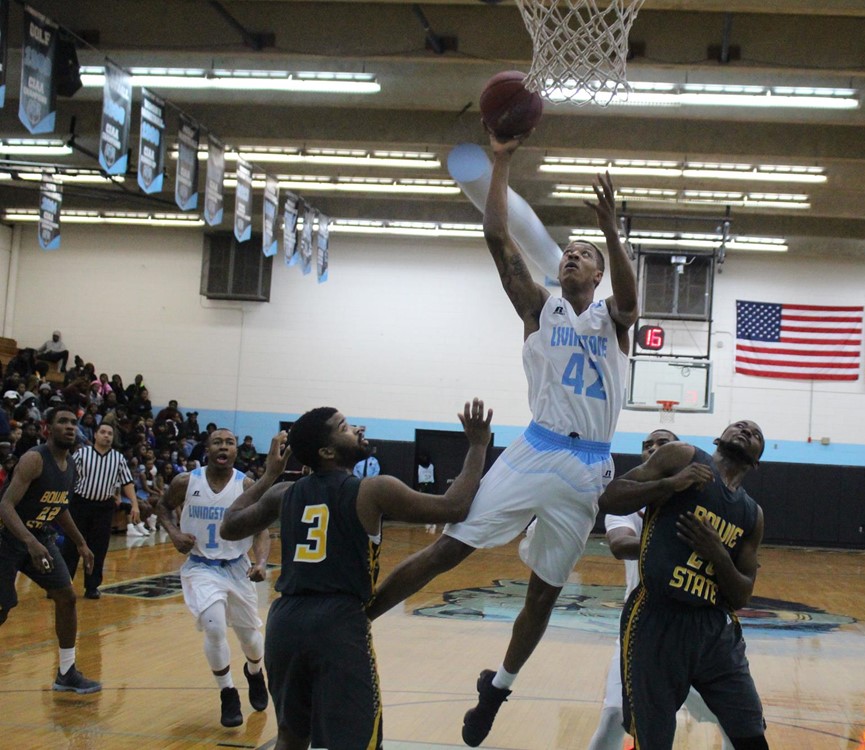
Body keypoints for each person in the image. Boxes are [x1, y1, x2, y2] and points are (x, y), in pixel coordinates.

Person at [367, 132, 638, 747]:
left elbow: (629, 298)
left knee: (542, 596)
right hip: (536, 449)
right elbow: (497, 240)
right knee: (449, 550)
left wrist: (612, 232)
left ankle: (499, 689)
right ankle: (359, 619)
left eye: (584, 253)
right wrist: (502, 161)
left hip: (589, 466)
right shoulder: (539, 309)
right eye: (568, 251)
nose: (573, 256)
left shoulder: (612, 323)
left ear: (596, 272)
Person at [219, 400, 493, 750]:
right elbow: (454, 506)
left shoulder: (283, 493)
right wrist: (478, 445)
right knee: (356, 742)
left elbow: (230, 525)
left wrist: (270, 474)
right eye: (345, 427)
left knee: (291, 736)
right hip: (337, 623)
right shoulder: (373, 489)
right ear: (327, 451)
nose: (358, 429)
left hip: (284, 622)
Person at [598, 419, 768, 750]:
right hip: (656, 619)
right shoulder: (683, 456)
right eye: (740, 425)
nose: (748, 431)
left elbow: (741, 595)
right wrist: (673, 484)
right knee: (652, 739)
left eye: (756, 434)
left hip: (713, 629)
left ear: (757, 459)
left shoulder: (752, 514)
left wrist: (717, 553)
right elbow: (610, 498)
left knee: (750, 735)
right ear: (720, 437)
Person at [155, 428, 271, 728]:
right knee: (215, 627)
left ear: (236, 450)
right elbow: (163, 506)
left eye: (229, 442)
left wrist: (261, 562)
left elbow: (261, 528)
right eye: (217, 442)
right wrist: (174, 533)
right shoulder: (186, 481)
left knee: (251, 640)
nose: (224, 446)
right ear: (206, 449)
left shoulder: (246, 484)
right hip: (200, 566)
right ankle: (228, 693)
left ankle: (255, 673)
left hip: (237, 567)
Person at [0, 407, 100, 693]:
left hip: (39, 538)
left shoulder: (71, 467)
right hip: (6, 538)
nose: (70, 427)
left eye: (73, 422)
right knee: (2, 607)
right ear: (48, 428)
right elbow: (5, 506)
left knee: (66, 597)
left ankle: (67, 672)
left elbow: (58, 508)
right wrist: (29, 542)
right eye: (63, 422)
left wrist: (81, 543)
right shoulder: (34, 459)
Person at [59, 422, 143, 599]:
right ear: (95, 435)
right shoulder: (82, 453)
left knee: (99, 548)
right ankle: (62, 585)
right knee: (72, 546)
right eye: (103, 432)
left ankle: (92, 587)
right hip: (80, 504)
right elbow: (68, 476)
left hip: (104, 507)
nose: (106, 436)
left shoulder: (118, 458)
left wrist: (134, 504)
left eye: (110, 433)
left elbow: (127, 482)